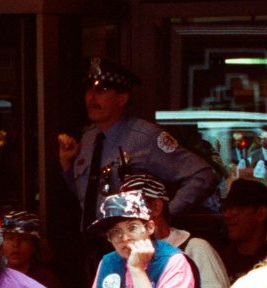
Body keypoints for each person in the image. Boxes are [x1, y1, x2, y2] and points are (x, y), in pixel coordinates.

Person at [56, 58, 218, 224]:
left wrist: (163, 215)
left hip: (132, 236)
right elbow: (86, 197)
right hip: (90, 236)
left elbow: (203, 175)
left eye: (101, 90)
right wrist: (67, 164)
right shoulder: (88, 138)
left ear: (122, 98)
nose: (92, 98)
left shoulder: (145, 136)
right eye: (89, 91)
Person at [120, 173, 229, 288]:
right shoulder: (117, 256)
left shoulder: (194, 247)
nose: (124, 215)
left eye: (133, 208)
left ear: (156, 207)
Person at [217, 178, 267, 281]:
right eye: (226, 209)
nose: (227, 215)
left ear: (261, 213)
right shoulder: (219, 259)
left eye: (238, 209)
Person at [0, 211, 65, 288]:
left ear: (34, 247)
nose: (16, 244)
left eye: (24, 239)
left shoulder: (46, 280)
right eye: (10, 238)